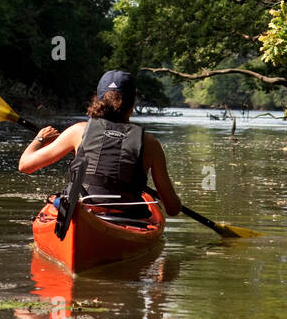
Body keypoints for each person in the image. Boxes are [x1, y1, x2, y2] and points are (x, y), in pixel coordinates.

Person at [17, 69, 181, 217]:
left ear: (98, 100)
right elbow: (173, 209)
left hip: (83, 211)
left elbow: (25, 165)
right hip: (128, 218)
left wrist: (40, 139)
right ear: (132, 105)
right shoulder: (150, 143)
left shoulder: (77, 132)